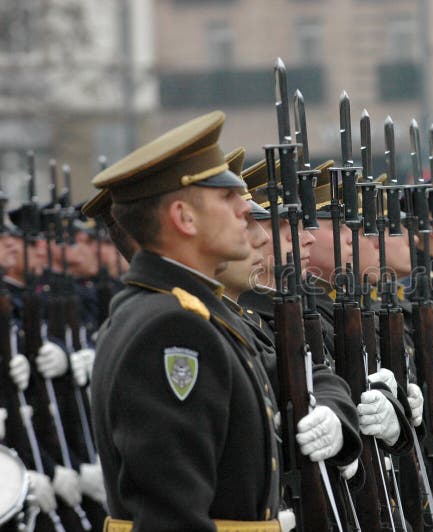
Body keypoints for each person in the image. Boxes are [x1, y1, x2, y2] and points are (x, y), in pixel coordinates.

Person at [90, 111, 282, 531]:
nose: (245, 215)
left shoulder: (179, 311)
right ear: (184, 218)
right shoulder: (173, 328)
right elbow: (171, 515)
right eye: (227, 198)